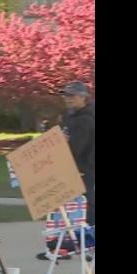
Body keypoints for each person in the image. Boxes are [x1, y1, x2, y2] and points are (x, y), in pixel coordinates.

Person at [60, 81, 95, 230]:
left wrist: (61, 143)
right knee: (75, 207)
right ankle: (75, 243)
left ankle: (88, 242)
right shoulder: (71, 117)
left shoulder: (86, 120)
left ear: (83, 97)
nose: (67, 98)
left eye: (71, 95)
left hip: (85, 167)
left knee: (86, 205)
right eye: (65, 95)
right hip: (75, 167)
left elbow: (75, 148)